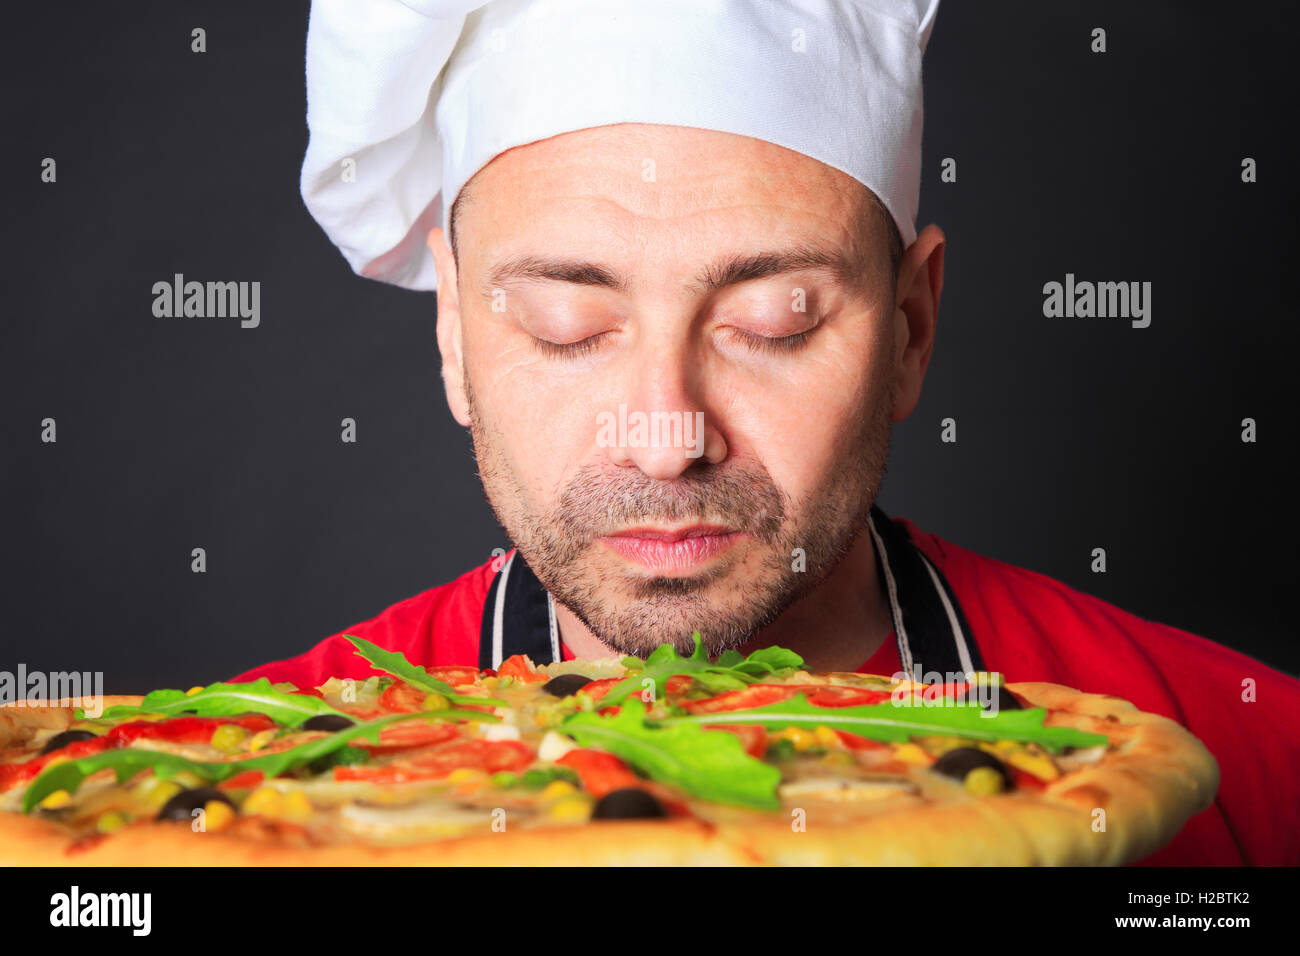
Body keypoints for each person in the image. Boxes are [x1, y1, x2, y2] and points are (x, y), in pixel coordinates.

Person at [234, 0, 1299, 865]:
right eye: (570, 326)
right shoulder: (227, 781)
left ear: (910, 329)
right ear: (455, 341)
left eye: (770, 322)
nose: (666, 436)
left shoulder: (1254, 760)